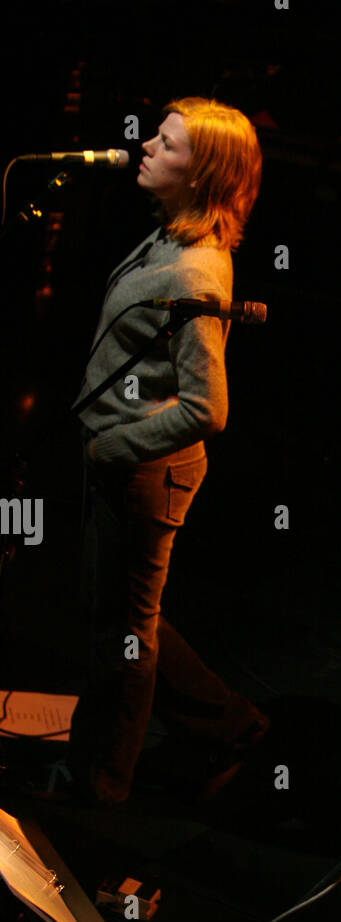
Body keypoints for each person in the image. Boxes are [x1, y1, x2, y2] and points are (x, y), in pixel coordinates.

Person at [67, 97, 268, 805]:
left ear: (202, 174)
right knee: (125, 617)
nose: (146, 145)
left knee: (126, 637)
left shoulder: (194, 274)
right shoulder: (169, 241)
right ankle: (230, 724)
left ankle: (101, 785)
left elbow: (207, 408)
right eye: (155, 134)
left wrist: (115, 445)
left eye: (169, 144)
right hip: (128, 465)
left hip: (145, 473)